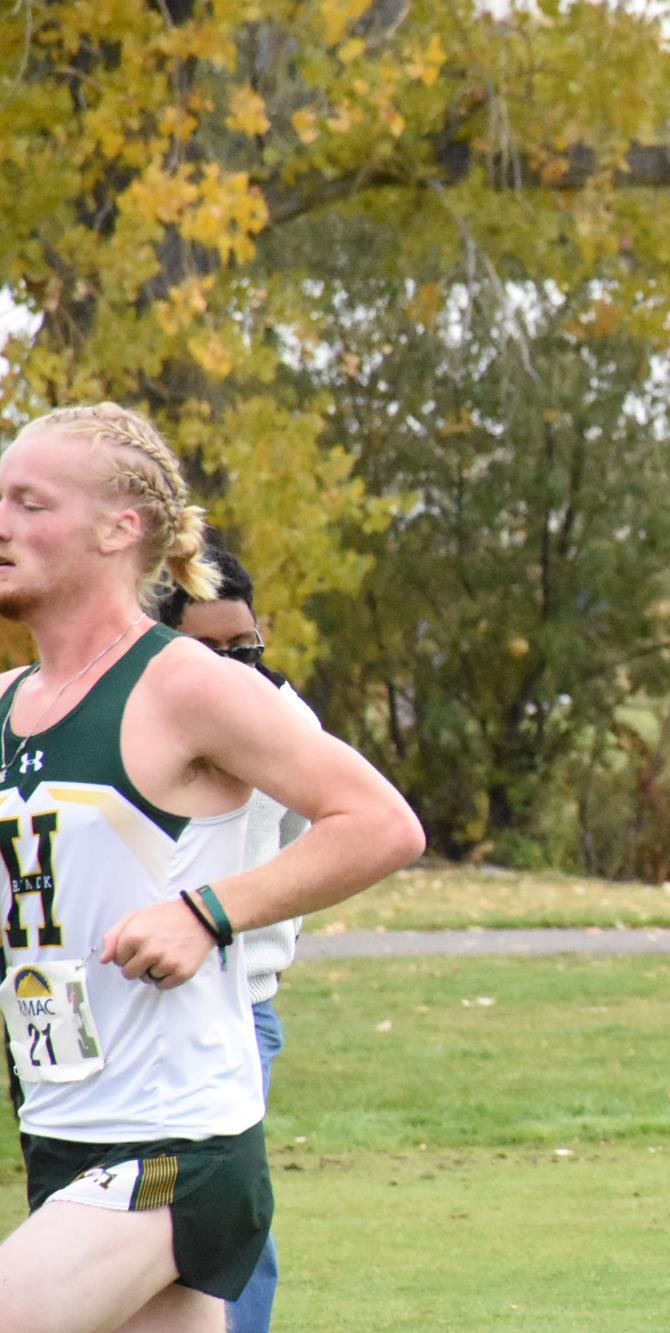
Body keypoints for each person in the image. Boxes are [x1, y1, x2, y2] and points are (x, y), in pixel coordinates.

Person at [0, 403, 425, 1332]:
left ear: (123, 528)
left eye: (31, 503)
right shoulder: (8, 705)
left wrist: (207, 913)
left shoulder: (187, 684)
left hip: (174, 1149)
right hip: (62, 1135)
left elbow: (383, 823)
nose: (1, 523)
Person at [157, 547, 319, 1333]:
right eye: (207, 651)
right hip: (141, 1006)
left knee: (228, 1213)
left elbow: (314, 834)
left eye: (244, 649)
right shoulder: (134, 721)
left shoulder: (286, 721)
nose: (233, 668)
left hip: (238, 1005)